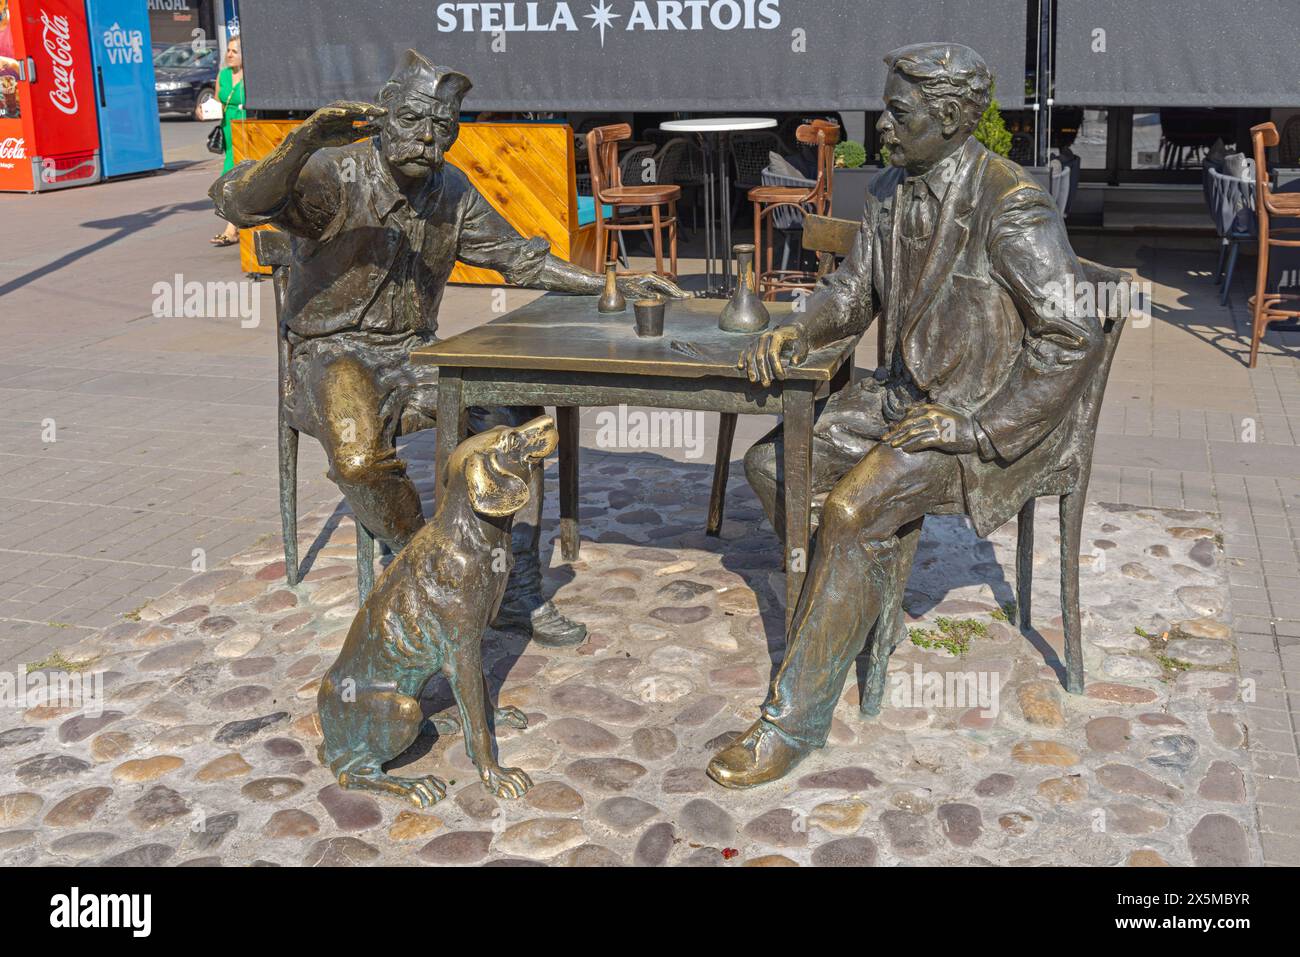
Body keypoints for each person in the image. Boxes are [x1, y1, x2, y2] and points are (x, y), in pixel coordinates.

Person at [707, 43, 1104, 788]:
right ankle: (854, 603)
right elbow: (854, 294)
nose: (881, 126)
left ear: (953, 119)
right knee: (768, 464)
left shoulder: (1012, 204)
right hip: (898, 400)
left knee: (853, 510)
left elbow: (1072, 335)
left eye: (899, 112)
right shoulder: (892, 189)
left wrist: (980, 428)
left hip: (975, 417)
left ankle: (795, 719)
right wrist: (799, 329)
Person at [211, 50, 685, 644]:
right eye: (413, 121)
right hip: (330, 355)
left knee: (517, 424)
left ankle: (514, 590)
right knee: (359, 462)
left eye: (443, 129)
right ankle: (428, 572)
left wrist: (611, 283)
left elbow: (517, 259)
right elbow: (239, 203)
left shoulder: (451, 190)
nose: (427, 140)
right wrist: (304, 139)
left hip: (415, 355)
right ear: (382, 117)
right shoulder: (336, 173)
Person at [211, 37, 245, 247]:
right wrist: (203, 110)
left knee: (231, 178)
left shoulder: (252, 76)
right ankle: (234, 227)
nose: (229, 55)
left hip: (246, 130)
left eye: (234, 51)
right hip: (227, 130)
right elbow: (216, 100)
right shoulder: (223, 75)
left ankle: (231, 229)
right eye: (228, 51)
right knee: (231, 178)